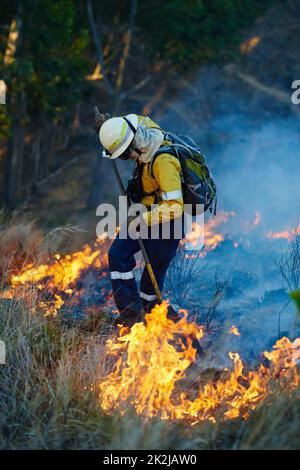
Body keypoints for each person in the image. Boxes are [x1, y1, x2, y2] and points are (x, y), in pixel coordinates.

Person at [97, 113, 185, 328]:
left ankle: (164, 326)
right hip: (144, 213)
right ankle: (131, 316)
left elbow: (175, 206)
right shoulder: (139, 127)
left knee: (150, 287)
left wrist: (143, 220)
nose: (124, 159)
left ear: (133, 147)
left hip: (168, 223)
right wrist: (107, 126)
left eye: (123, 155)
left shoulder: (164, 162)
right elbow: (125, 126)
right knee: (118, 254)